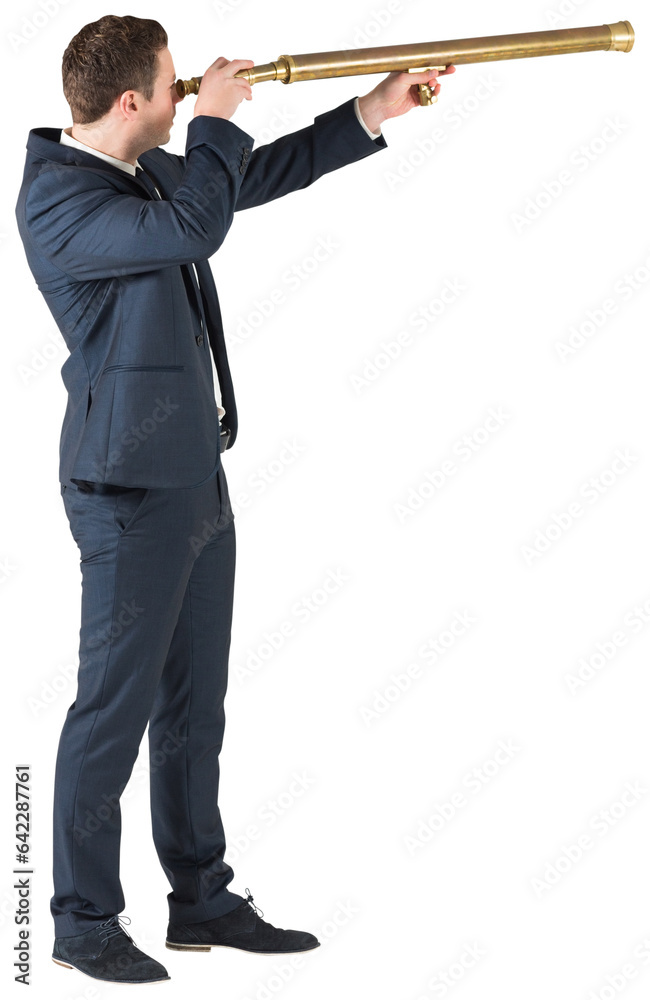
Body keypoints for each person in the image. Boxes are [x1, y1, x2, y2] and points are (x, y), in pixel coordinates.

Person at [15, 14, 454, 986]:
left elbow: (249, 179)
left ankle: (199, 894)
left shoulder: (149, 170)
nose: (183, 100)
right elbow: (194, 222)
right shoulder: (57, 200)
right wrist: (213, 116)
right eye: (172, 89)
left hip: (191, 475)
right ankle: (80, 921)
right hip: (125, 491)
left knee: (191, 704)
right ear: (132, 102)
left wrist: (374, 109)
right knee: (110, 711)